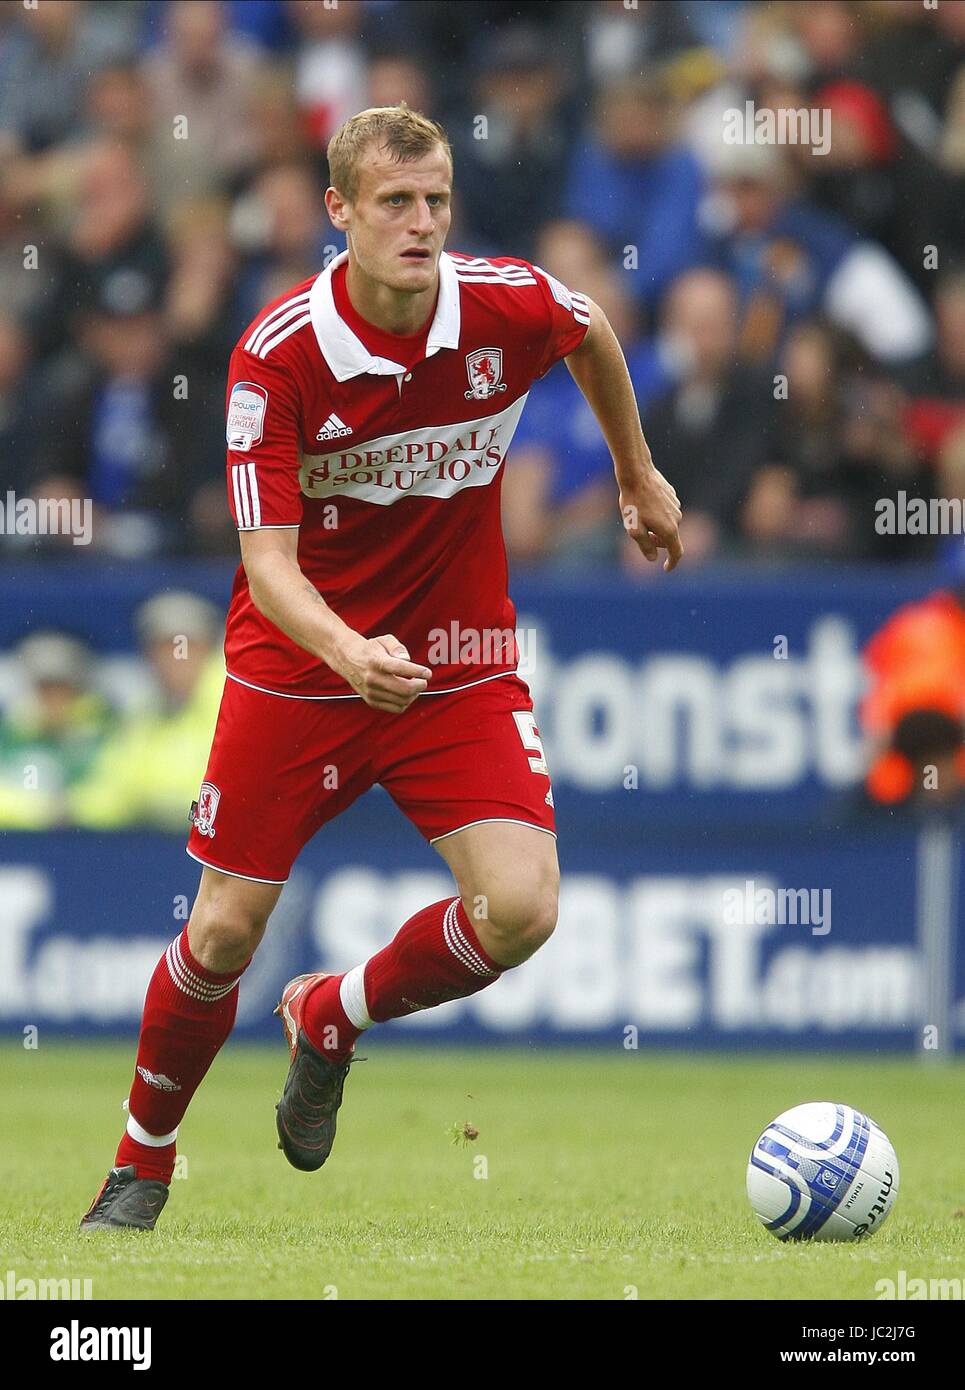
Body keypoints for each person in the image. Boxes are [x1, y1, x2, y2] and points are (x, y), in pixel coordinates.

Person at [80, 103, 682, 1232]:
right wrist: (348, 650)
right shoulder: (278, 356)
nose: (420, 224)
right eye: (396, 203)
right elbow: (265, 566)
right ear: (338, 212)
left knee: (520, 908)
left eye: (437, 201)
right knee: (220, 932)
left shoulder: (504, 303)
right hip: (303, 662)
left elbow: (590, 329)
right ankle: (142, 1159)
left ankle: (331, 1015)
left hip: (454, 662)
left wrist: (634, 474)